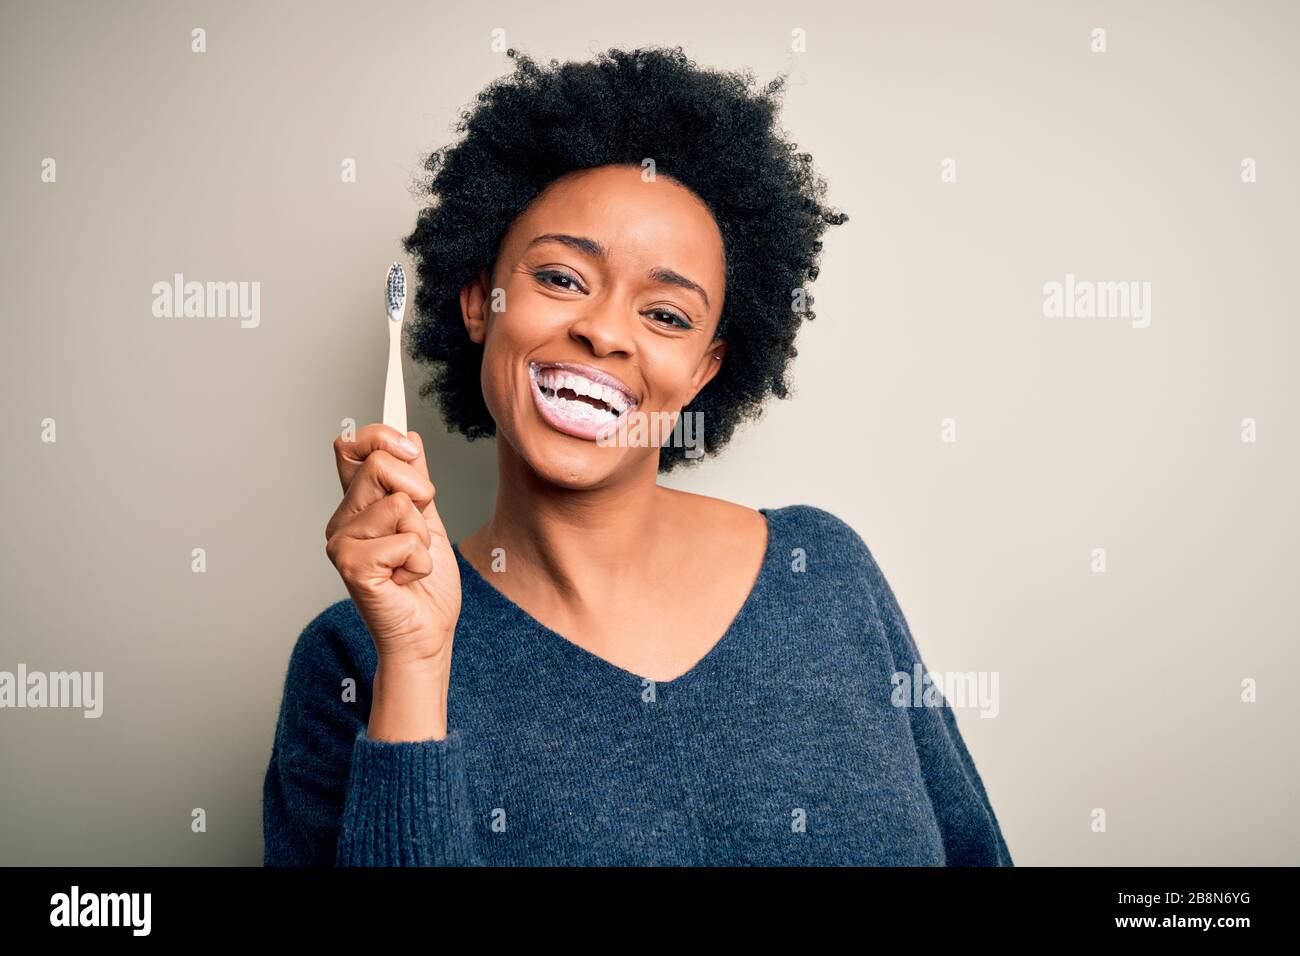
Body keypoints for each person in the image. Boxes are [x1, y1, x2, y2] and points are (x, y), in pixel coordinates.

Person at [263, 46, 1013, 866]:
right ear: (480, 302)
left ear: (705, 369)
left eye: (665, 316)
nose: (607, 331)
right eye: (560, 277)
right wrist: (415, 666)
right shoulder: (355, 657)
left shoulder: (822, 571)